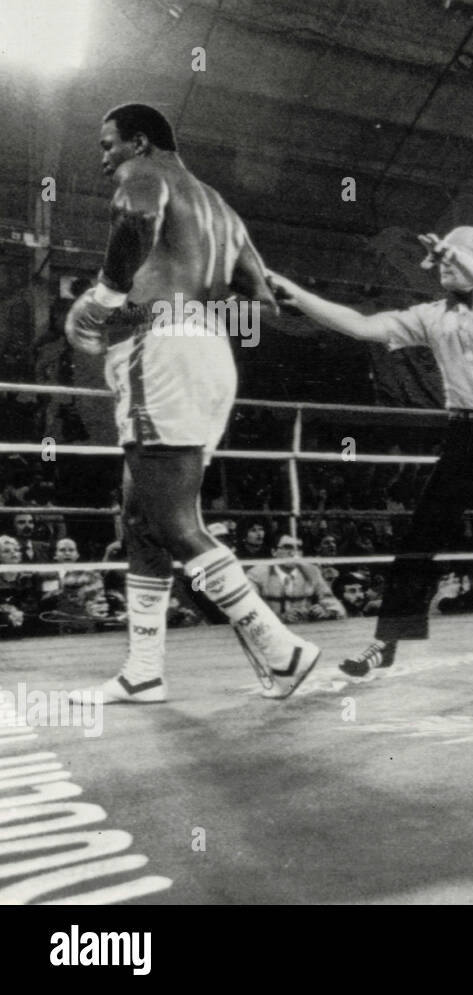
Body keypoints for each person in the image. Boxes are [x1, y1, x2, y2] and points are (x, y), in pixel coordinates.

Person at [64, 102, 318, 702]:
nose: (105, 160)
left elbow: (137, 216)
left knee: (175, 523)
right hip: (208, 356)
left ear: (140, 142)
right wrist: (190, 310)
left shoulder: (145, 173)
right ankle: (144, 671)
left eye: (109, 145)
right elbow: (261, 305)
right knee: (141, 518)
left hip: (160, 352)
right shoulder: (222, 210)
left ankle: (281, 649)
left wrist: (107, 298)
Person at [268, 226, 473, 674]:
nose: (445, 263)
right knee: (420, 539)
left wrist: (452, 253)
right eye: (445, 256)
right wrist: (294, 293)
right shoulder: (430, 316)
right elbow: (360, 325)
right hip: (465, 434)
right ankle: (386, 641)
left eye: (457, 255)